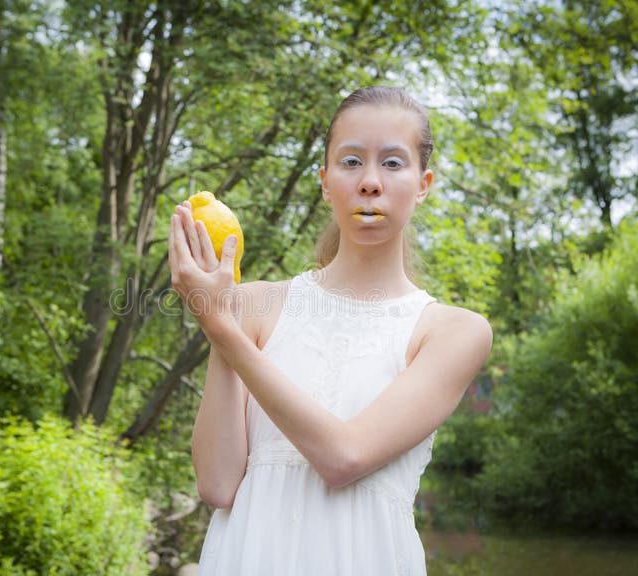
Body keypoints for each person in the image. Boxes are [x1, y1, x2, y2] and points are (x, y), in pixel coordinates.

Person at [168, 85, 493, 576]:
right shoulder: (251, 304)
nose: (369, 182)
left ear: (423, 184)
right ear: (324, 181)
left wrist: (220, 325)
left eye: (392, 163)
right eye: (350, 161)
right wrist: (224, 322)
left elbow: (345, 457)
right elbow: (217, 485)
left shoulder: (453, 331)